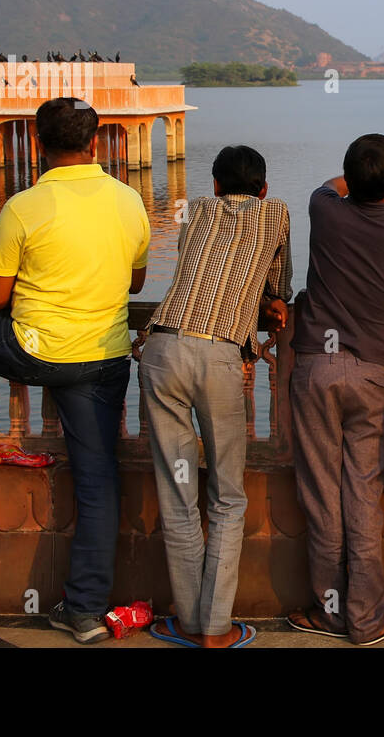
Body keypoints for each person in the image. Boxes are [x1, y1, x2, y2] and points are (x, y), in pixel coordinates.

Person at [0, 97, 150, 644]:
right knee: (98, 480)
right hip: (103, 357)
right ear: (96, 143)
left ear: (38, 144)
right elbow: (134, 284)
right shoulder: (130, 201)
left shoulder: (25, 205)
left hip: (34, 351)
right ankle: (83, 612)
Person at [137, 145, 292, 649]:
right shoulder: (277, 213)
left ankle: (187, 620)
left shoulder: (198, 209)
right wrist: (270, 306)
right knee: (227, 497)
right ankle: (216, 629)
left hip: (161, 348)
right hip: (218, 356)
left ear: (217, 186)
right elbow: (278, 289)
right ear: (264, 188)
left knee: (177, 492)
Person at [287, 134, 384, 645]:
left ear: (350, 178)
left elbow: (330, 186)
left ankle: (330, 611)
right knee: (363, 494)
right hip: (371, 373)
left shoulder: (325, 209)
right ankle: (367, 619)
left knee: (321, 494)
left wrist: (360, 178)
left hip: (314, 369)